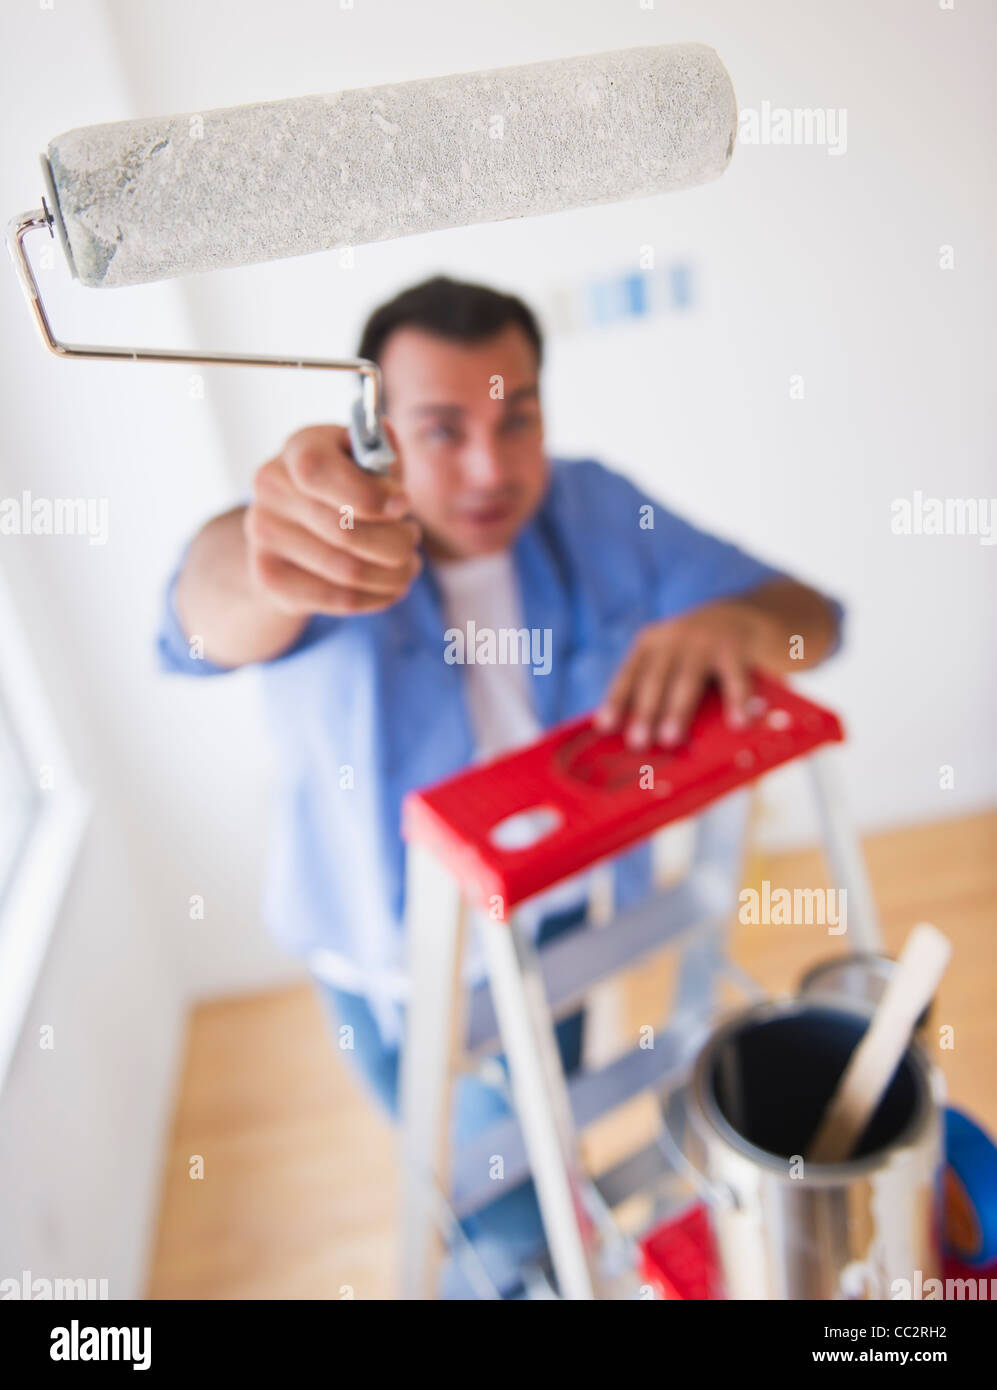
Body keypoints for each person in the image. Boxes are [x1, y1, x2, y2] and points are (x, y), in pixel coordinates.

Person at [156, 274, 842, 1297]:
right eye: (441, 429)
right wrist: (264, 563)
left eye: (515, 419)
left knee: (506, 1203)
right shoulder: (329, 535)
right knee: (455, 1173)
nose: (489, 466)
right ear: (377, 430)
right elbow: (198, 618)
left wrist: (742, 627)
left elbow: (814, 621)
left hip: (542, 937)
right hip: (358, 955)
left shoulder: (595, 505)